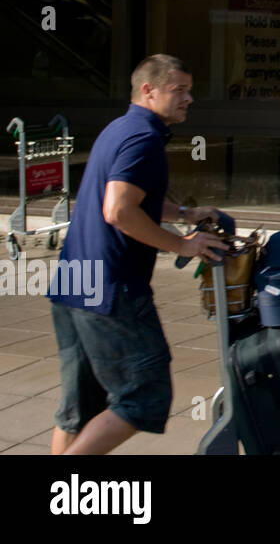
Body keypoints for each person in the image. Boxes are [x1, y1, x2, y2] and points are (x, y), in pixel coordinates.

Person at [47, 54, 229, 455]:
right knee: (144, 396)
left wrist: (184, 213)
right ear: (148, 90)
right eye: (179, 90)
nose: (189, 99)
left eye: (189, 90)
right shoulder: (143, 140)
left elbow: (134, 199)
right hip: (112, 289)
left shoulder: (119, 129)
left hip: (75, 280)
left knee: (80, 408)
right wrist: (182, 245)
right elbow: (118, 210)